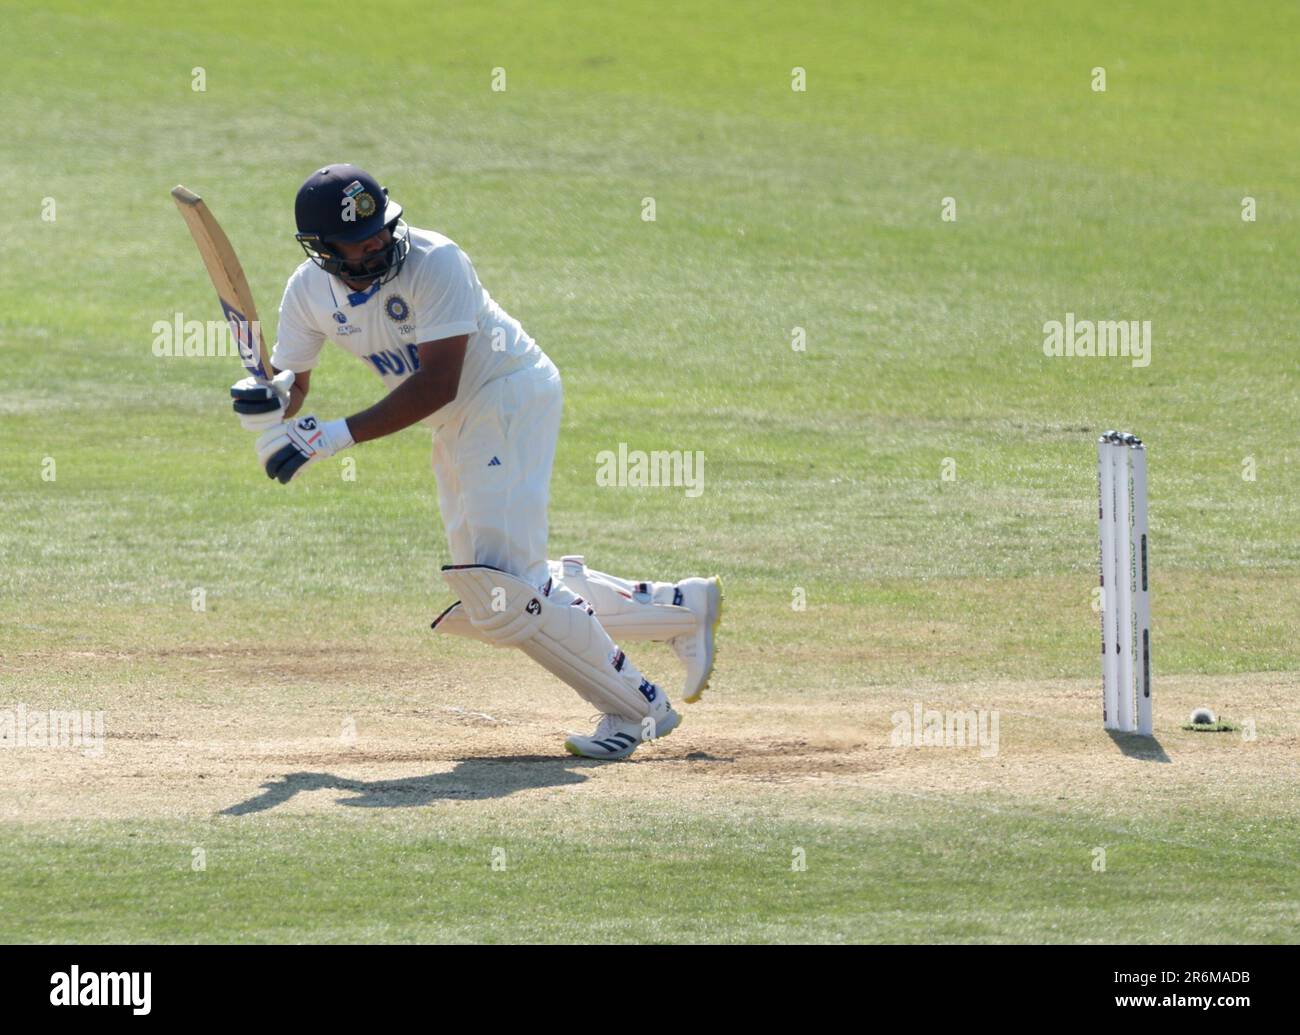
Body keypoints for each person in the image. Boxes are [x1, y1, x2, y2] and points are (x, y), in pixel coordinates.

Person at [230, 164, 722, 760]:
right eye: (359, 242)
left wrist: (330, 438)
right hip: (459, 419)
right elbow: (295, 383)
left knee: (503, 586)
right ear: (323, 251)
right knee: (494, 591)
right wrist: (272, 398)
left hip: (507, 391)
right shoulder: (306, 293)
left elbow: (437, 383)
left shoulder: (436, 262)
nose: (378, 244)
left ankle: (639, 707)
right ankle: (678, 609)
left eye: (381, 230)